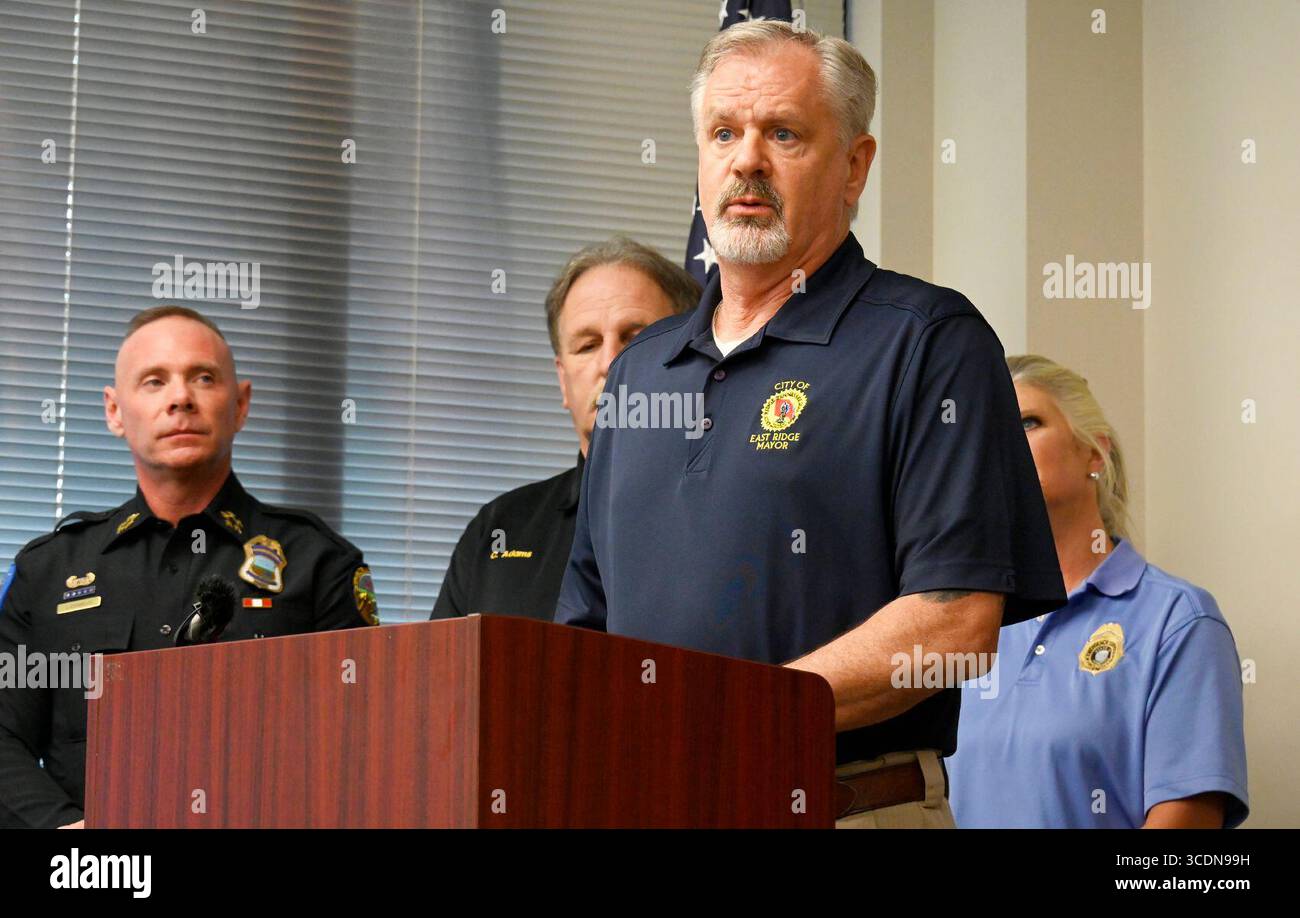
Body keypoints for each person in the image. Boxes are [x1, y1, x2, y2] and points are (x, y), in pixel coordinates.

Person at [555, 21, 1066, 828]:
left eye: (783, 132)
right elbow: (583, 633)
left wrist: (734, 719)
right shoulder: (640, 371)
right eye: (723, 132)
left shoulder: (928, 341)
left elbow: (955, 619)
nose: (745, 159)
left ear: (855, 166)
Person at [0, 305, 379, 829]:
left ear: (241, 404)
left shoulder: (319, 563)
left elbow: (362, 744)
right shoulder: (48, 571)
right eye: (154, 381)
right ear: (114, 411)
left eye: (203, 377)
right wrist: (69, 835)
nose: (180, 397)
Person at [948, 355, 1248, 828]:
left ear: (1095, 453)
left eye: (1027, 422)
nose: (1001, 443)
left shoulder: (1177, 619)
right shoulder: (959, 623)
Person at [432, 238, 699, 621]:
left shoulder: (731, 516)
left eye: (635, 337)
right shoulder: (498, 529)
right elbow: (439, 677)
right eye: (588, 345)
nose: (609, 362)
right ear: (563, 380)